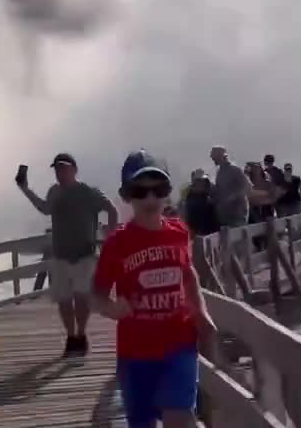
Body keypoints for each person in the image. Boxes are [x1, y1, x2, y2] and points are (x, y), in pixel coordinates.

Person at [93, 150, 217, 428]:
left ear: (168, 194)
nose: (150, 199)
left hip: (179, 343)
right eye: (140, 191)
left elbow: (189, 274)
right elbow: (96, 294)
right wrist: (111, 308)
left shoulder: (179, 232)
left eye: (158, 190)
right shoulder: (117, 244)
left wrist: (201, 312)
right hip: (135, 352)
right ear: (126, 196)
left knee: (178, 416)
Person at [16, 152, 118, 356]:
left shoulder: (87, 191)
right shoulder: (54, 191)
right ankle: (71, 337)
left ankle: (81, 334)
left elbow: (111, 209)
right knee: (63, 299)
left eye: (64, 168)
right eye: (57, 169)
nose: (60, 172)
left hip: (84, 253)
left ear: (74, 169)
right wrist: (25, 188)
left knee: (81, 298)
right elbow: (45, 208)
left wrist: (111, 234)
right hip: (60, 253)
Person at [209, 145, 253, 228]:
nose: (212, 159)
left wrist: (233, 196)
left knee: (237, 238)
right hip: (225, 214)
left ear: (220, 156)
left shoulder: (234, 169)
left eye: (214, 157)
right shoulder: (219, 171)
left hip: (237, 214)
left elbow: (248, 187)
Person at [181, 168, 220, 237]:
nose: (202, 183)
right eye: (199, 181)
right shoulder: (190, 197)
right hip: (196, 234)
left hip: (208, 234)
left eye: (203, 181)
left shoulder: (208, 198)